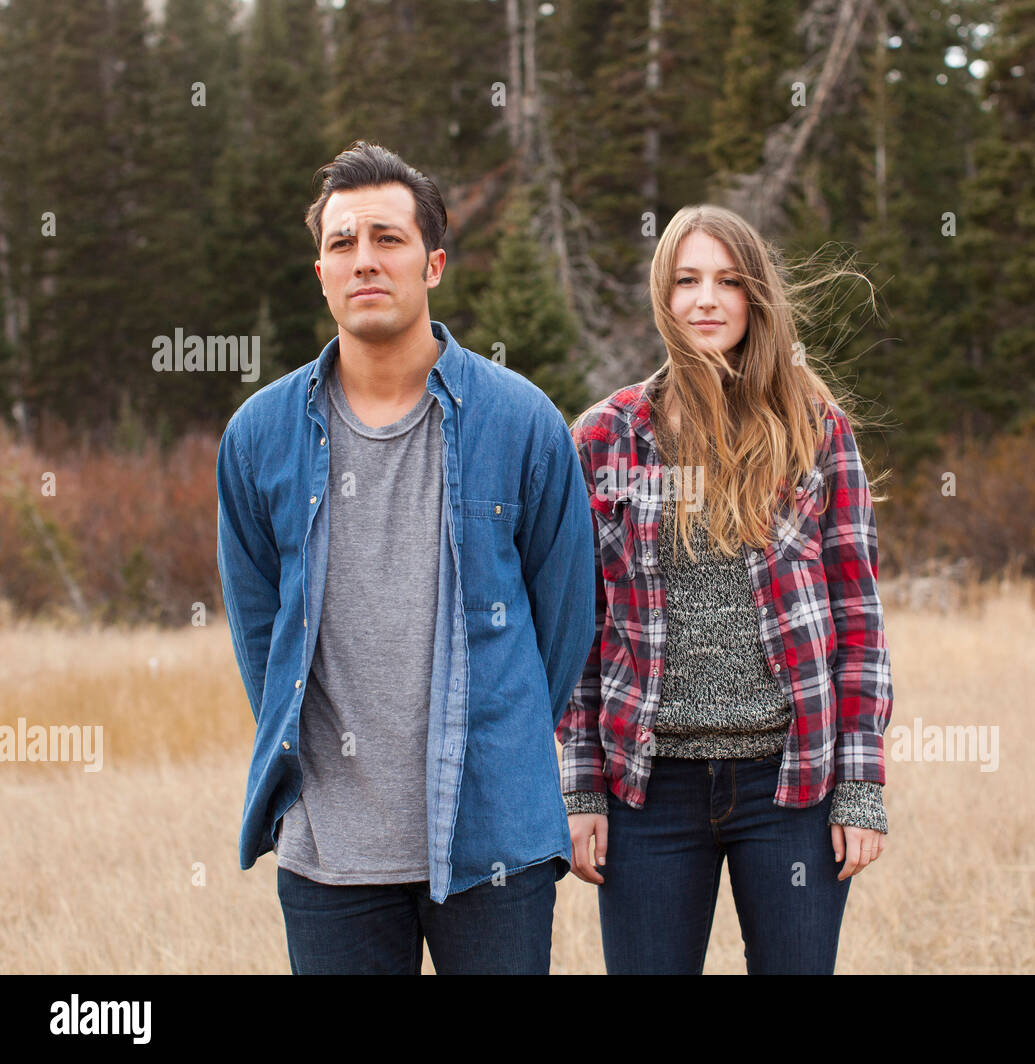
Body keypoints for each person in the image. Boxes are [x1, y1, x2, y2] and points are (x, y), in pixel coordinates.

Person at [216, 141, 594, 974]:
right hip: (330, 851)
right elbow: (260, 633)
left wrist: (500, 735)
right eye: (344, 243)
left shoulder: (524, 423)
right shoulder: (258, 438)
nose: (365, 261)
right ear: (320, 271)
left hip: (493, 840)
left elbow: (565, 623)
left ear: (434, 264)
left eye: (388, 238)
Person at [558, 204, 893, 975]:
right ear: (663, 297)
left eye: (728, 281)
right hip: (649, 791)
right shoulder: (606, 437)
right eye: (687, 280)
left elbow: (859, 617)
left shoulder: (816, 428)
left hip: (790, 785)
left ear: (756, 298)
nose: (707, 299)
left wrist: (861, 785)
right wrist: (579, 792)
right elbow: (582, 627)